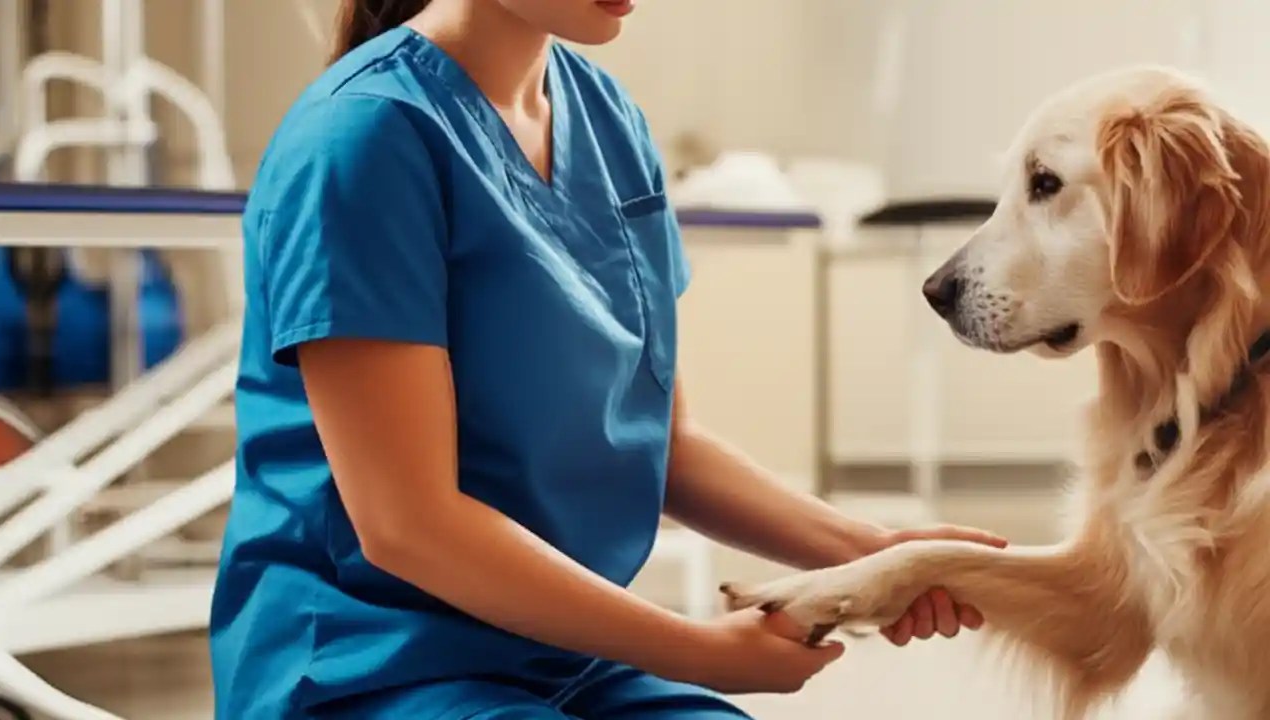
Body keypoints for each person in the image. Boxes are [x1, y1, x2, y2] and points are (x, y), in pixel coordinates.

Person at [208, 0, 1008, 717]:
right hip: (366, 668)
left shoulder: (607, 118)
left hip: (564, 657)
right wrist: (698, 652)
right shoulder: (362, 137)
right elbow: (408, 527)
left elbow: (666, 447)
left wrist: (875, 556)